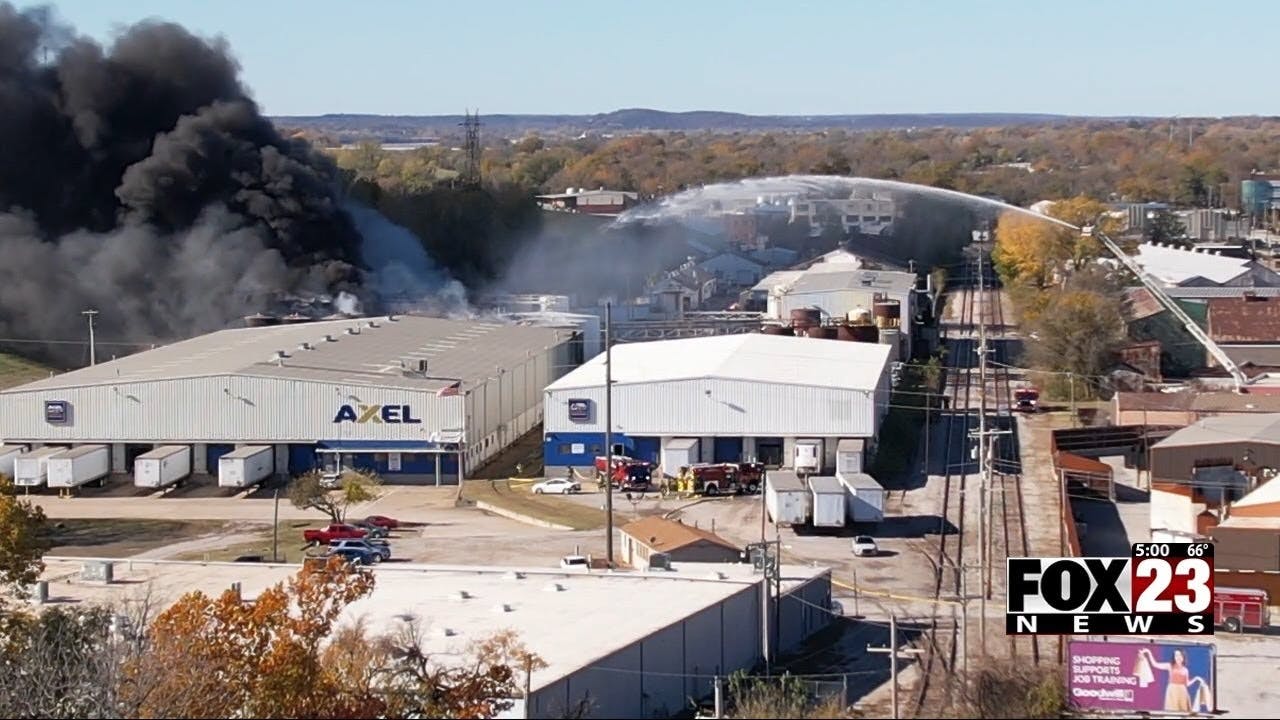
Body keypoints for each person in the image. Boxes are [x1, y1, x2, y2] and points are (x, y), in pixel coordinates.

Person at [1140, 647, 1192, 712]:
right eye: (1176, 655)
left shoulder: (1185, 670)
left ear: (1183, 656)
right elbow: (1155, 664)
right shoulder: (1170, 666)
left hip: (1182, 692)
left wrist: (1196, 679)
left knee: (1184, 712)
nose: (1178, 657)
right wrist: (1148, 652)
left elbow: (1187, 684)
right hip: (1172, 692)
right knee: (1172, 713)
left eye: (1180, 655)